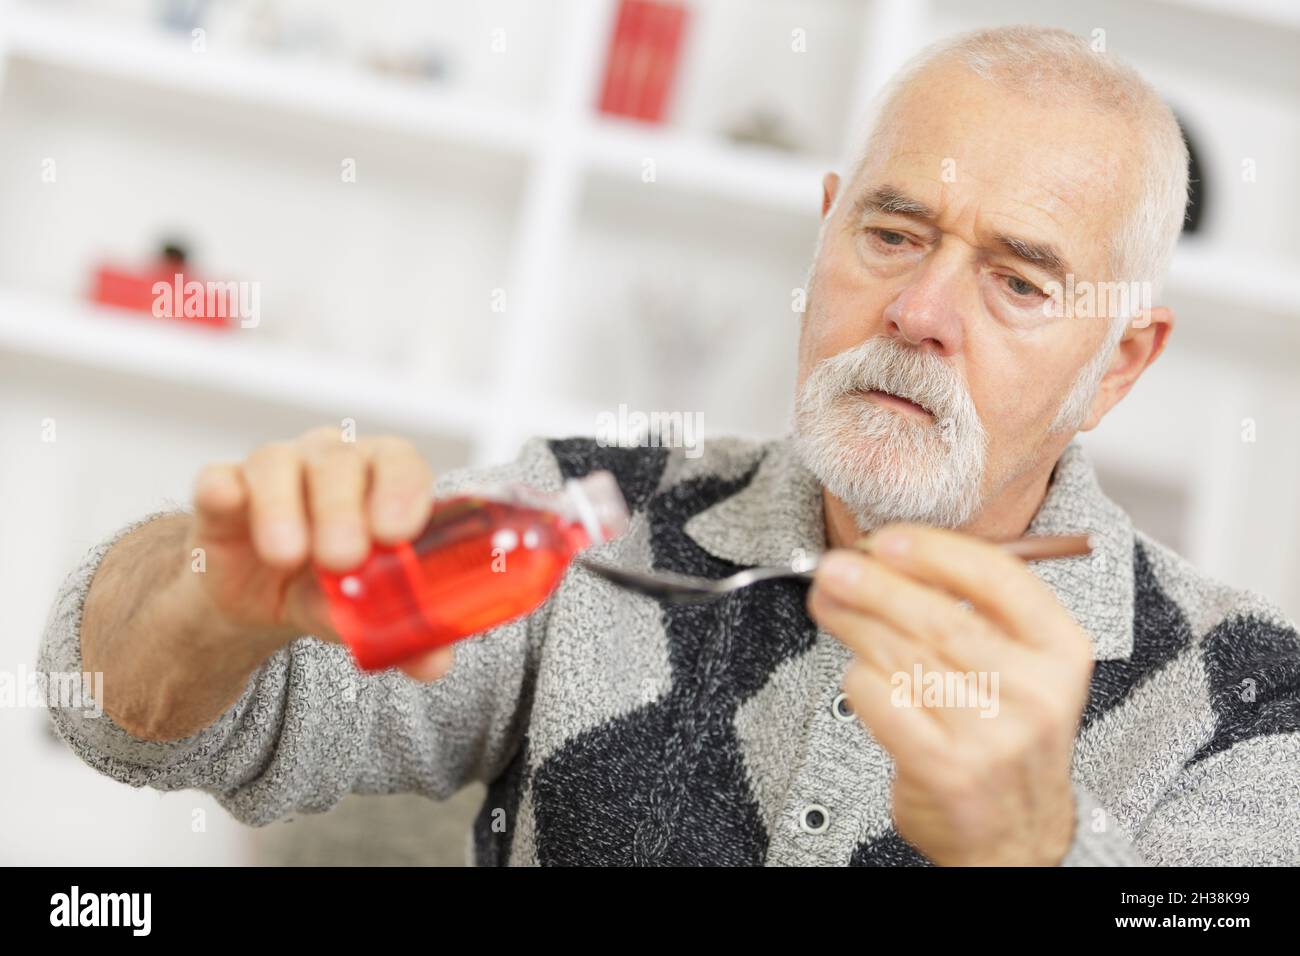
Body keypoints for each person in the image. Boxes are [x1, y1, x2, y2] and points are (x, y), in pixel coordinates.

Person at [41, 26, 1299, 866]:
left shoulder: (1254, 697)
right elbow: (130, 717)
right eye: (891, 235)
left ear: (1118, 361)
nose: (919, 311)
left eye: (1019, 282)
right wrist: (213, 596)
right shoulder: (596, 510)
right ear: (824, 234)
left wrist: (1037, 847)